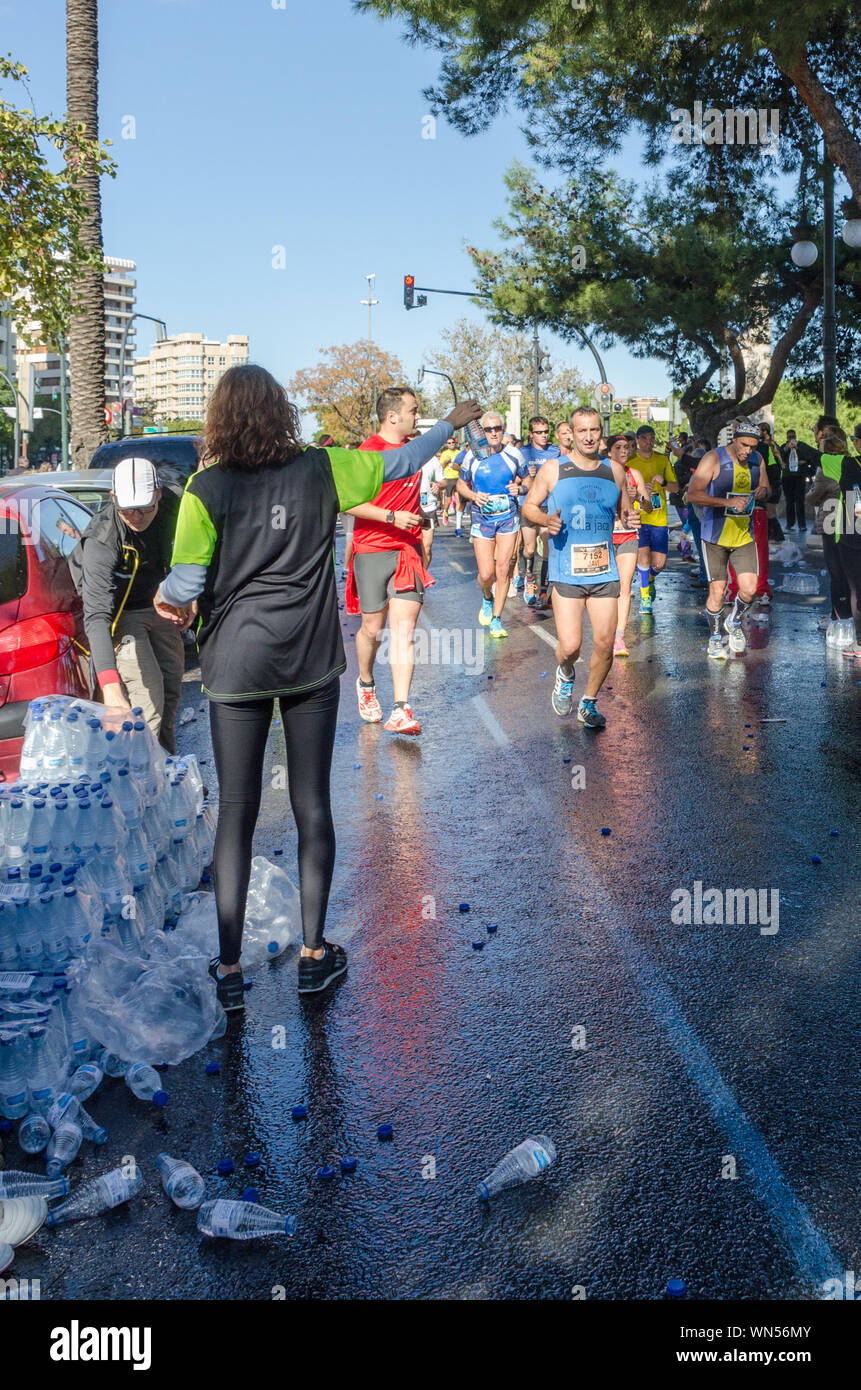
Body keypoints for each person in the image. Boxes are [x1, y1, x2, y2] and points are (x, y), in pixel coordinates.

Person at [155, 364, 479, 1006]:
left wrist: (168, 599)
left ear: (220, 418)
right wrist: (450, 422)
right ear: (282, 412)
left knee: (237, 810)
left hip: (236, 665)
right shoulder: (324, 466)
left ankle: (229, 970)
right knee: (311, 803)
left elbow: (186, 583)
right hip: (308, 658)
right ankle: (312, 954)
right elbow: (403, 460)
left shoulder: (204, 488)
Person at [522, 407, 637, 727]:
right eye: (582, 431)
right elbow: (529, 506)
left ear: (601, 433)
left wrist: (630, 517)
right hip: (567, 571)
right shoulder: (553, 469)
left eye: (594, 430)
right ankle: (565, 671)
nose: (588, 437)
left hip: (604, 570)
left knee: (605, 644)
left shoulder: (615, 470)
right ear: (571, 434)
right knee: (570, 646)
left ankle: (588, 702)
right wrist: (546, 519)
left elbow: (625, 510)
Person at [69, 458, 187, 751]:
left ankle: (166, 765)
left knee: (171, 689)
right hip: (121, 612)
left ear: (159, 493)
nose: (137, 517)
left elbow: (196, 549)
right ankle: (140, 774)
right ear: (113, 498)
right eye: (128, 510)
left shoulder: (177, 503)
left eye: (146, 508)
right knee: (147, 702)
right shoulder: (102, 540)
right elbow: (97, 616)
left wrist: (188, 593)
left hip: (162, 602)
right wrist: (110, 688)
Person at [346, 388, 431, 736]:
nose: (417, 415)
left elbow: (409, 497)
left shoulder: (413, 449)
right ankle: (366, 682)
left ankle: (401, 708)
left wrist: (421, 520)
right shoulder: (368, 452)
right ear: (393, 416)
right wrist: (391, 516)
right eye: (413, 410)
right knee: (372, 629)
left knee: (404, 630)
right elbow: (347, 502)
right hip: (372, 548)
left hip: (407, 549)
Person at [687, 422, 769, 659]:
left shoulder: (758, 460)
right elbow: (692, 494)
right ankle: (714, 637)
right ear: (734, 439)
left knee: (750, 590)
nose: (747, 451)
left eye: (752, 447)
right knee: (718, 591)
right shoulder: (714, 458)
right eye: (744, 445)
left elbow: (766, 488)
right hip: (715, 536)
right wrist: (726, 502)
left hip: (743, 536)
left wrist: (762, 492)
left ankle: (733, 621)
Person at [456, 409, 528, 639]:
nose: (494, 433)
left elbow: (528, 479)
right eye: (488, 429)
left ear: (503, 430)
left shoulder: (514, 454)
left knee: (503, 570)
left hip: (508, 518)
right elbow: (460, 485)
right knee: (486, 574)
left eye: (497, 428)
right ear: (482, 432)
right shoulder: (472, 457)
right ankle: (487, 597)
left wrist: (521, 488)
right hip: (482, 519)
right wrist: (473, 496)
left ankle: (497, 618)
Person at [606, 434, 649, 655]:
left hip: (628, 535)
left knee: (624, 587)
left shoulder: (635, 474)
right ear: (609, 451)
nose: (624, 451)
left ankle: (619, 637)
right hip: (605, 536)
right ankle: (605, 631)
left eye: (627, 447)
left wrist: (638, 498)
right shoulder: (602, 473)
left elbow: (649, 506)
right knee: (607, 588)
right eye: (618, 447)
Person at [809, 426, 854, 628]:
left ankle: (838, 617)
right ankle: (848, 616)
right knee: (850, 573)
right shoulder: (852, 464)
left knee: (837, 573)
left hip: (832, 522)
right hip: (851, 522)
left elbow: (812, 497)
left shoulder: (826, 467)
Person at [632, 424, 676, 614]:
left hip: (659, 518)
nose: (648, 442)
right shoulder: (631, 461)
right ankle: (645, 598)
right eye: (644, 438)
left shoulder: (662, 460)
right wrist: (639, 492)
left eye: (652, 439)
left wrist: (663, 482)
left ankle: (648, 579)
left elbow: (676, 488)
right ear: (637, 440)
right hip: (638, 518)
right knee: (643, 558)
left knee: (659, 564)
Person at [518, 415, 560, 607]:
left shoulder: (555, 451)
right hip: (528, 505)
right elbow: (515, 479)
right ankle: (529, 578)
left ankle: (543, 590)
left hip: (548, 506)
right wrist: (527, 476)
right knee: (529, 549)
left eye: (546, 432)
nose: (543, 435)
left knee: (547, 548)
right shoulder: (522, 452)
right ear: (531, 434)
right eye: (539, 432)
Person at [835, 436, 861, 659]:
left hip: (853, 534)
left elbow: (850, 497)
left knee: (856, 588)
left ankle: (860, 642)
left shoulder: (848, 464)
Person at [780, 429, 818, 532]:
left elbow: (809, 458)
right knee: (789, 501)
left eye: (793, 437)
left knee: (800, 501)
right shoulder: (784, 447)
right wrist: (787, 448)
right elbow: (779, 457)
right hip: (787, 477)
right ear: (787, 438)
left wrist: (798, 450)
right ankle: (790, 523)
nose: (791, 439)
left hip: (799, 476)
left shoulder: (801, 447)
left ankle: (802, 525)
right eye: (789, 437)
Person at [418, 447, 445, 565]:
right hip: (408, 509)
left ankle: (422, 574)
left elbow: (443, 481)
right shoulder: (404, 457)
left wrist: (438, 485)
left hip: (427, 508)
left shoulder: (432, 459)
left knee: (426, 547)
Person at [438, 434, 461, 528]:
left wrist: (457, 467)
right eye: (449, 443)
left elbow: (463, 465)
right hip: (448, 478)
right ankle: (445, 512)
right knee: (449, 499)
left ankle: (458, 522)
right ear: (447, 444)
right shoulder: (444, 453)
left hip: (458, 478)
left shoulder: (459, 452)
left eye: (453, 442)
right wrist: (446, 462)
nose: (451, 444)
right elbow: (441, 467)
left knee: (459, 500)